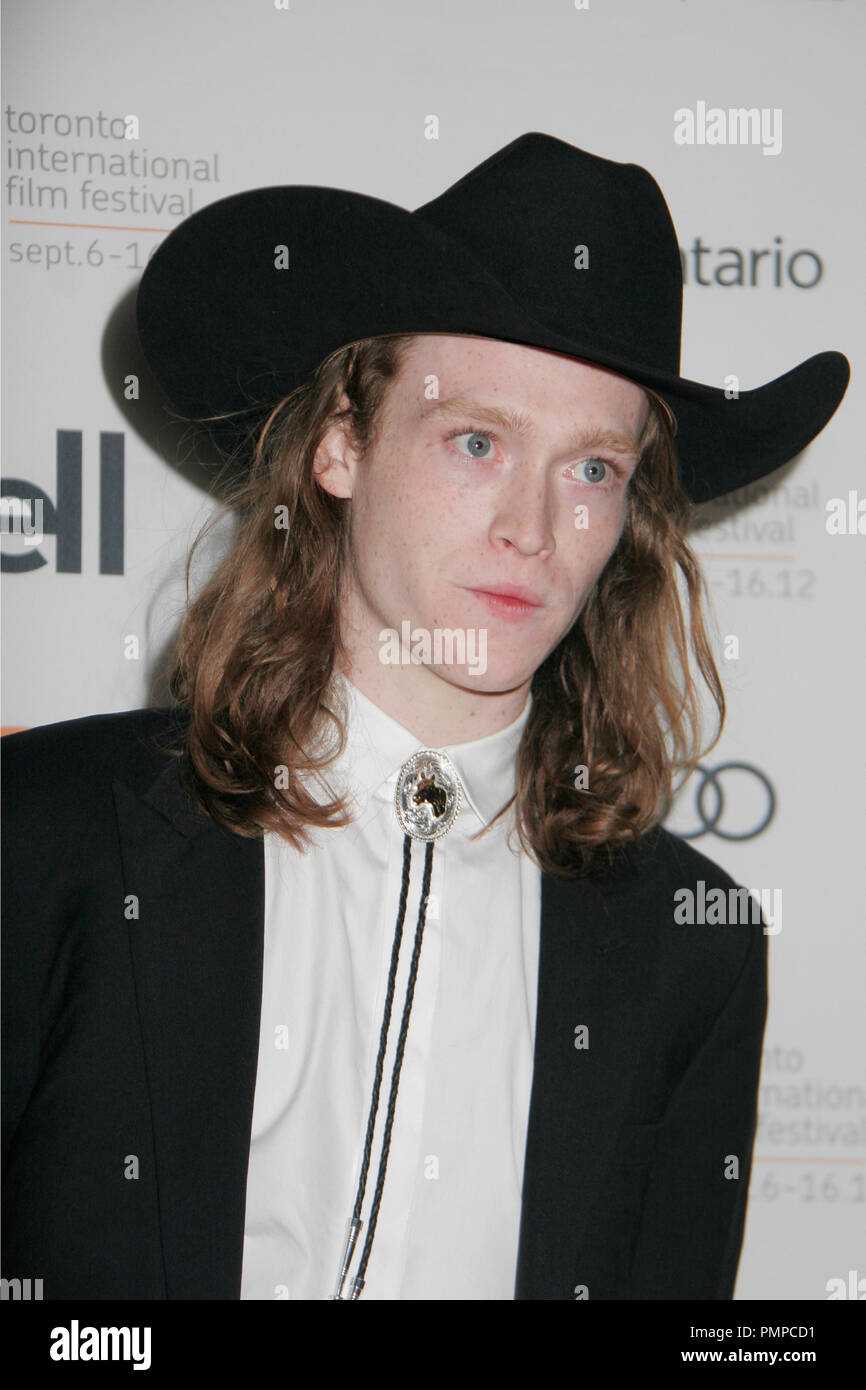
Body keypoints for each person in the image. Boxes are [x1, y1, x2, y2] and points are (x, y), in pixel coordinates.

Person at [1, 132, 849, 1301]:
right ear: (340, 445)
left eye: (592, 469)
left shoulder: (689, 947)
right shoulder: (47, 835)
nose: (532, 527)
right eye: (476, 440)